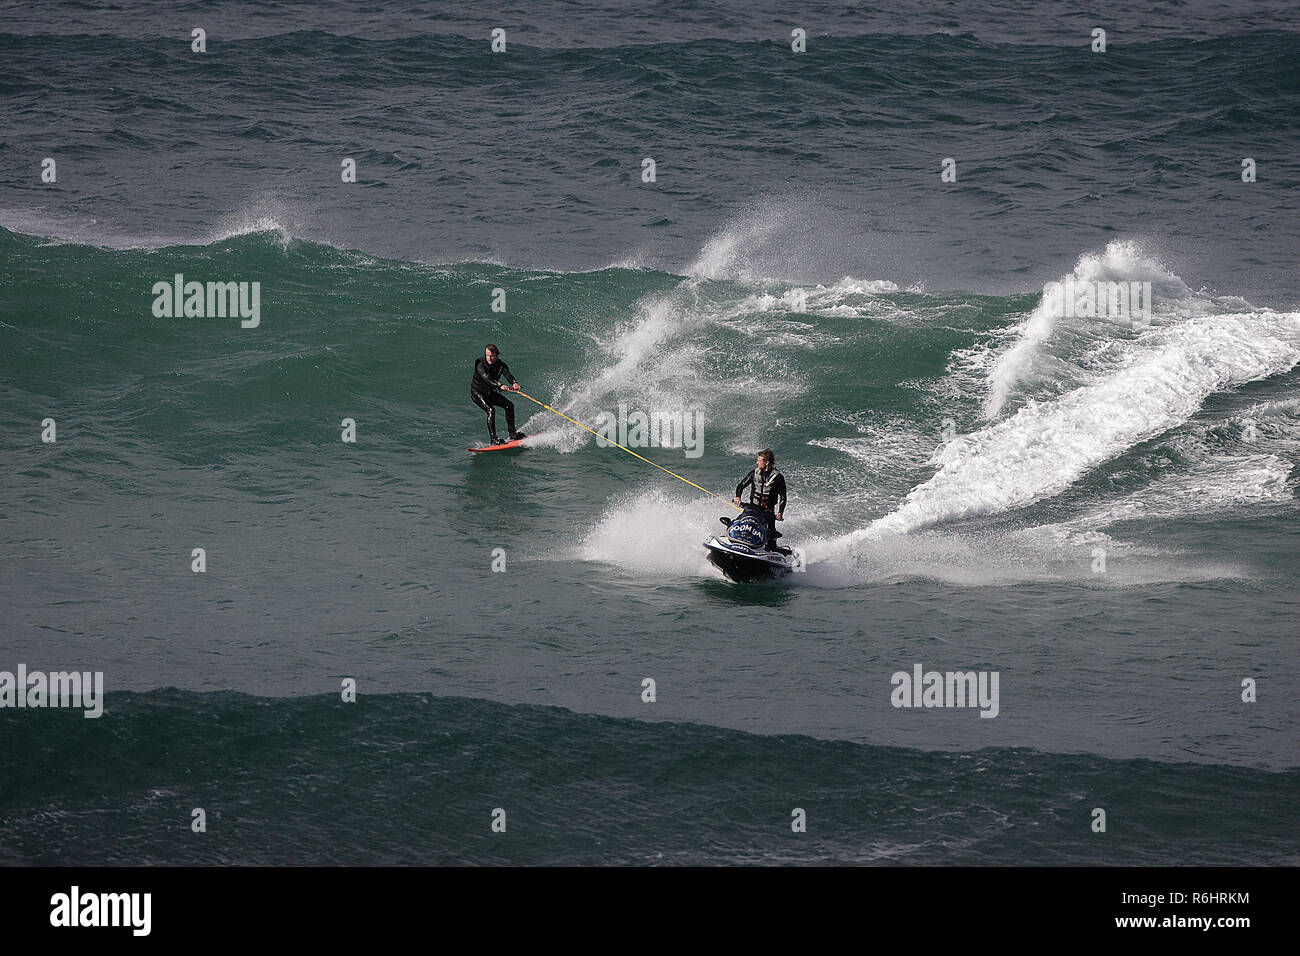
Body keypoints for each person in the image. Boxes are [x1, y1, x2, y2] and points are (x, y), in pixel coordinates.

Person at [470, 344, 526, 445]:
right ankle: (494, 439)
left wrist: (514, 383)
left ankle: (512, 433)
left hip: (490, 392)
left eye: (492, 356)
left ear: (497, 355)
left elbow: (508, 375)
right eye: (487, 355)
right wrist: (499, 386)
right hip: (477, 393)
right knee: (491, 410)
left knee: (509, 405)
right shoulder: (481, 365)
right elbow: (487, 379)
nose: (489, 358)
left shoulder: (501, 365)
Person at [733, 448, 787, 552]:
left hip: (768, 511)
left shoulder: (778, 477)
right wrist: (738, 497)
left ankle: (772, 551)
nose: (757, 462)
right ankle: (731, 538)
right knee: (740, 522)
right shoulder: (754, 473)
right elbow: (741, 486)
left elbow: (783, 497)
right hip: (752, 508)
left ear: (766, 462)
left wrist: (780, 513)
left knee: (770, 535)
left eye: (759, 460)